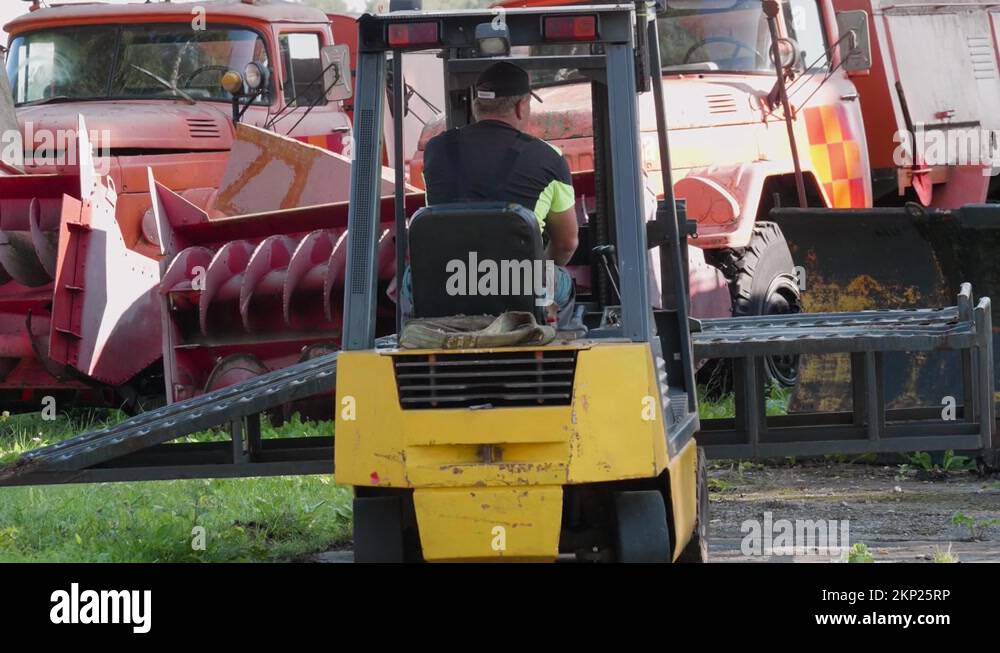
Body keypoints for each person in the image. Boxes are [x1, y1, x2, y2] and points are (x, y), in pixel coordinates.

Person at [403, 61, 579, 322]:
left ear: (476, 106)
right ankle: (544, 326)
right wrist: (536, 274)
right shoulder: (549, 158)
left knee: (409, 280)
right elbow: (567, 243)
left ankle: (423, 328)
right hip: (516, 282)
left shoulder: (436, 151)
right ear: (521, 107)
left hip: (447, 278)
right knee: (560, 283)